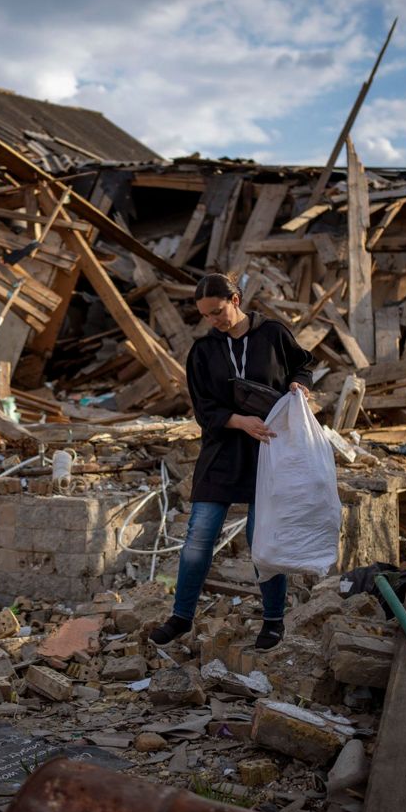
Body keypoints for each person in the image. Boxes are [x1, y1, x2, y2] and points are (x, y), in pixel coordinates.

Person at [149, 273, 315, 650]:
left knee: (263, 541)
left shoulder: (273, 334)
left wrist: (299, 384)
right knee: (198, 537)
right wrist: (240, 422)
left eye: (217, 312)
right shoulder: (203, 351)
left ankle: (273, 621)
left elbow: (303, 365)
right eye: (206, 315)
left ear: (235, 300)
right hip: (221, 451)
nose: (213, 321)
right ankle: (181, 617)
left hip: (268, 451)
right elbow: (203, 409)